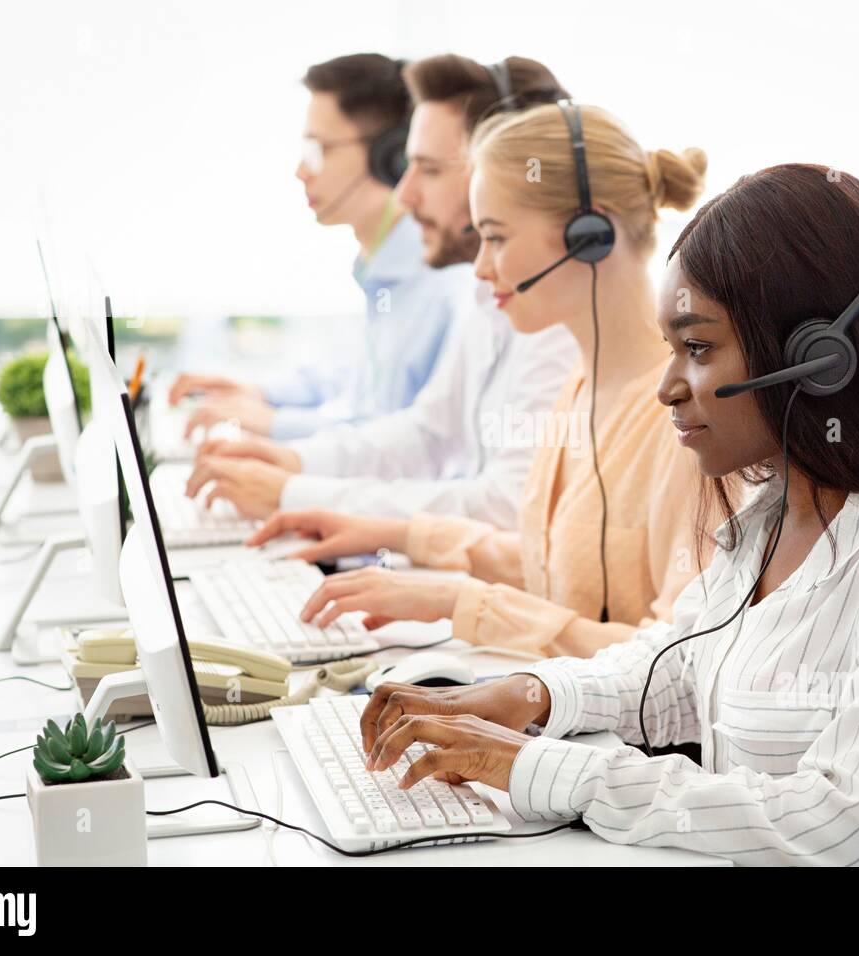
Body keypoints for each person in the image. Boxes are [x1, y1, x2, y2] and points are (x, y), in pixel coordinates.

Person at [351, 165, 859, 867]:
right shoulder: (773, 511)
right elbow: (677, 668)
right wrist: (528, 694)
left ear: (818, 359)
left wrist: (536, 768)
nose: (667, 387)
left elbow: (848, 826)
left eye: (699, 348)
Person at [248, 102, 713, 658]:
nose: (480, 267)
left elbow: (675, 656)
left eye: (496, 237)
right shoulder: (582, 388)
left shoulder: (686, 419)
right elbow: (563, 563)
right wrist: (400, 537)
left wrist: (464, 604)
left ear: (591, 235)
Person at [183, 55, 580, 528]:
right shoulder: (485, 297)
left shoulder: (556, 320)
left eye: (430, 170)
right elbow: (427, 432)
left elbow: (506, 509)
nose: (405, 194)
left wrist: (294, 493)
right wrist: (294, 463)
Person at [169, 53, 465, 441]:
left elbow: (393, 435)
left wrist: (269, 423)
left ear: (389, 156)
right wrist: (262, 395)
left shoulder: (440, 282)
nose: (300, 170)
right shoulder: (383, 269)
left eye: (319, 149)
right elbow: (358, 379)